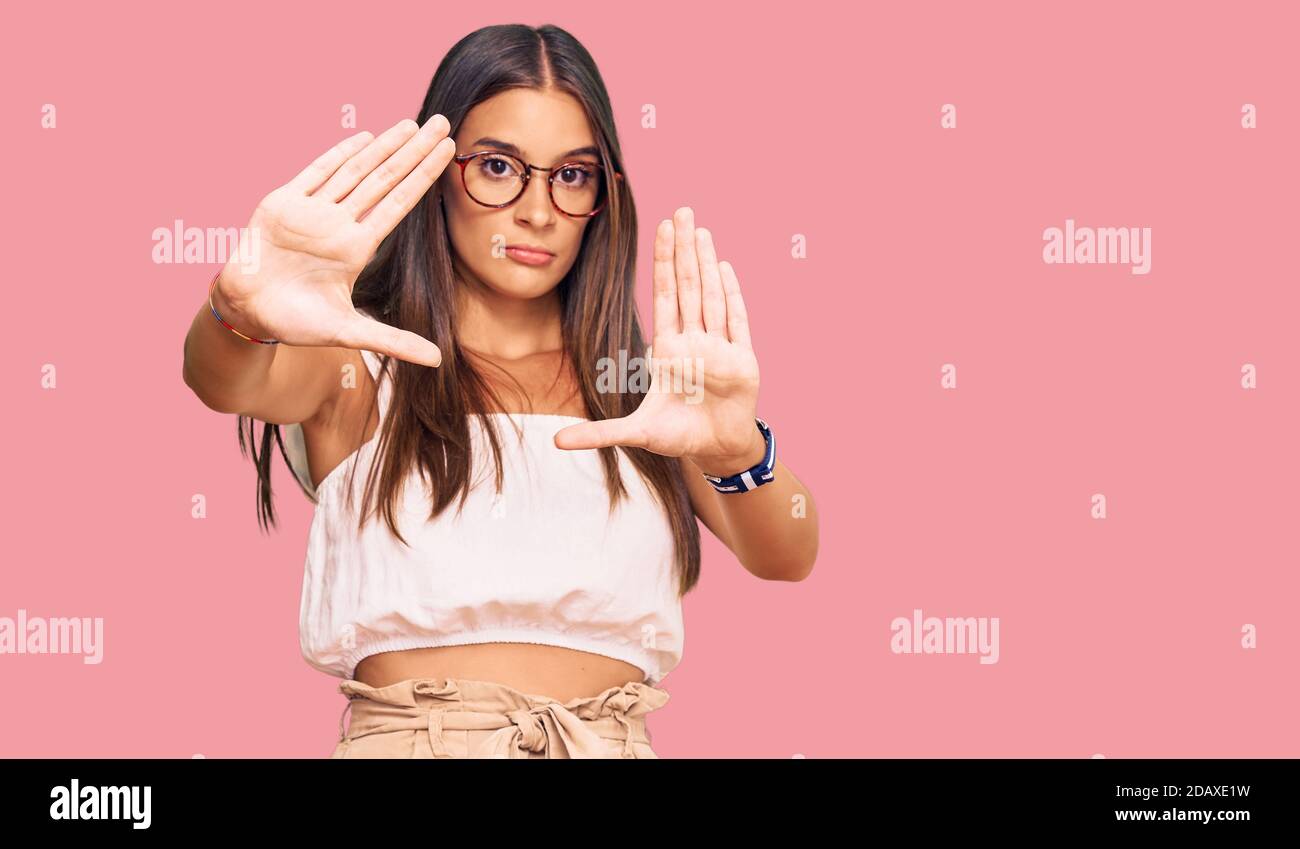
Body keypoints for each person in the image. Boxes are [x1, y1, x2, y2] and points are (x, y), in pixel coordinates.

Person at [181, 23, 819, 758]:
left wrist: (737, 446)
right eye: (497, 167)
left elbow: (789, 552)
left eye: (571, 175)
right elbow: (222, 379)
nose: (538, 211)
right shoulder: (360, 357)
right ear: (436, 175)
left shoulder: (644, 392)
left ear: (603, 198)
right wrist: (236, 312)